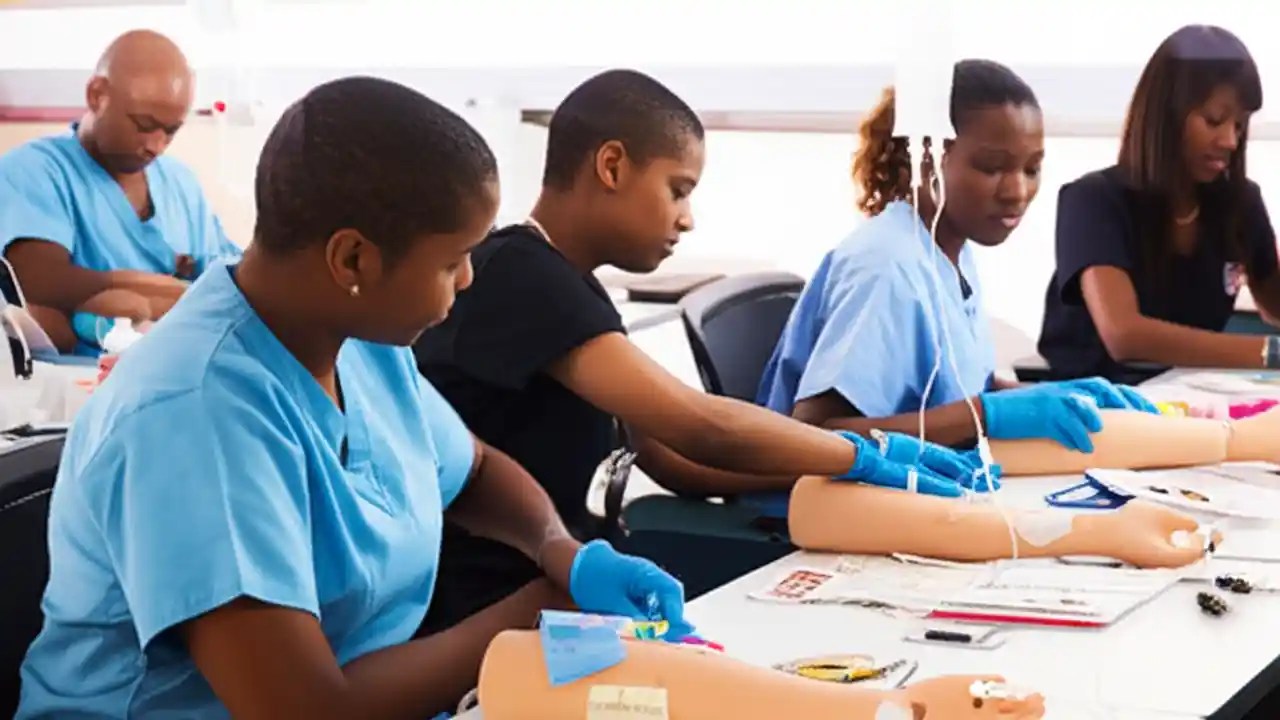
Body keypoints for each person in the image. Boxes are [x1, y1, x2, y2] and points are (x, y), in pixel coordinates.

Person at [20, 76, 702, 719]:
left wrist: (562, 550)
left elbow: (476, 471)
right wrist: (539, 609)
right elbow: (310, 710)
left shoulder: (363, 343)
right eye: (449, 261)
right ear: (352, 260)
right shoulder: (194, 415)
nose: (467, 281)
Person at [414, 69, 989, 625]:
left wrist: (824, 472)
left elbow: (675, 460)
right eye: (677, 190)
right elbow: (701, 426)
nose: (687, 219)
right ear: (611, 166)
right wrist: (861, 452)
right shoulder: (519, 274)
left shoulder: (571, 286)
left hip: (568, 576)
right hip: (495, 597)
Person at [756, 59, 1156, 452]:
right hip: (833, 509)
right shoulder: (887, 267)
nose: (1017, 191)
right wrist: (987, 414)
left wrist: (1050, 398)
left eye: (1032, 168)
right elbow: (814, 435)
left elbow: (953, 391)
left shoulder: (949, 249)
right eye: (992, 167)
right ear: (925, 158)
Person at [1038, 25, 1280, 383]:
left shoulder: (1239, 203)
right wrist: (1269, 353)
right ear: (1166, 115)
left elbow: (1274, 303)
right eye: (1214, 120)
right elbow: (1125, 337)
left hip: (1189, 400)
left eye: (1240, 124)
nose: (1231, 140)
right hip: (1098, 408)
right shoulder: (1093, 200)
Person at [0, 29, 240, 357]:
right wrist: (162, 290)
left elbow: (231, 280)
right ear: (97, 95)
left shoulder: (181, 185)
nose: (156, 145)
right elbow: (37, 281)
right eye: (143, 125)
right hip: (76, 385)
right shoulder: (34, 171)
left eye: (171, 131)